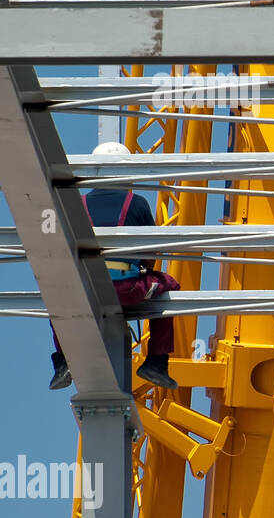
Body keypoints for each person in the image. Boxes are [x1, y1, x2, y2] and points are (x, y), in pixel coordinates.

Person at [49, 142, 180, 392]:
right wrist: (142, 269)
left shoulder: (78, 204)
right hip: (127, 288)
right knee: (169, 285)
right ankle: (156, 362)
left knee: (58, 299)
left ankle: (63, 362)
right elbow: (150, 253)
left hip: (85, 289)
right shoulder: (137, 203)